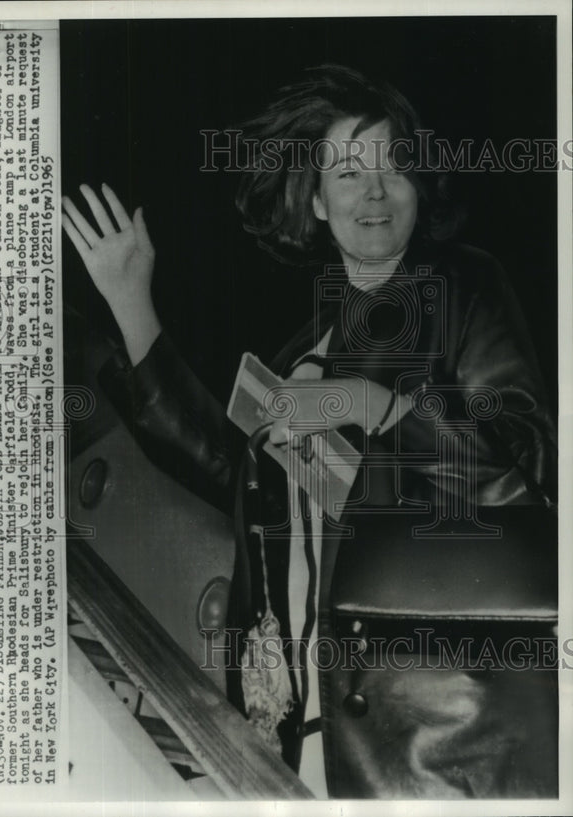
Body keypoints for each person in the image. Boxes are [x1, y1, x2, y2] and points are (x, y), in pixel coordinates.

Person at [62, 65, 557, 799]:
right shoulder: (303, 353)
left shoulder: (465, 288)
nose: (378, 192)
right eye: (350, 174)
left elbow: (525, 471)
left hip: (440, 751)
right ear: (317, 201)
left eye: (395, 168)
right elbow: (233, 471)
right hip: (302, 748)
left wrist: (371, 405)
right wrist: (133, 303)